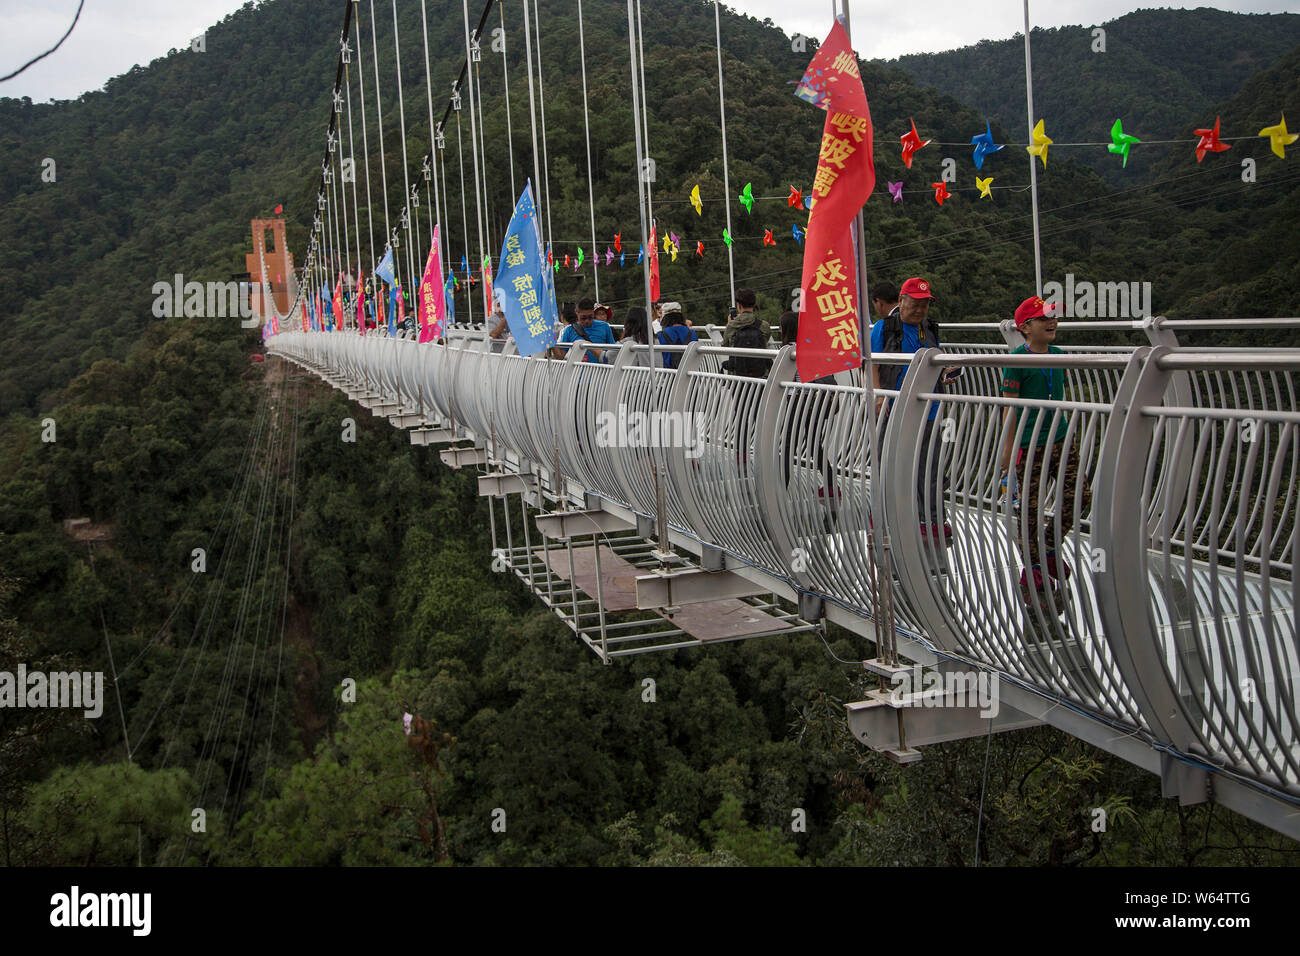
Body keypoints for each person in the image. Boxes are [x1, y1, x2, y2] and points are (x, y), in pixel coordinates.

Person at [999, 294, 1092, 610]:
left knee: (1079, 495)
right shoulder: (1016, 360)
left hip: (1060, 438)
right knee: (1030, 508)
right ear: (1025, 328)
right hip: (1029, 444)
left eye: (1053, 317)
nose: (1051, 323)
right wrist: (1008, 448)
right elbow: (1009, 407)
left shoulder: (1059, 354)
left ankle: (1048, 548)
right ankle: (1034, 570)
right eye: (1043, 319)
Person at [870, 276, 950, 542]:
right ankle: (886, 513)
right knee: (890, 463)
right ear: (901, 301)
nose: (920, 310)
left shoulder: (929, 328)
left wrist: (947, 372)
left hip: (929, 407)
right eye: (915, 303)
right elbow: (871, 364)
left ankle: (933, 520)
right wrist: (879, 396)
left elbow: (935, 361)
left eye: (925, 304)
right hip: (893, 407)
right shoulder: (884, 328)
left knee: (929, 466)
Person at [721, 288, 771, 377]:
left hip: (738, 376)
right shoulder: (764, 325)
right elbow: (764, 342)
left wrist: (729, 323)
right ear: (754, 304)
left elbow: (724, 346)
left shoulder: (732, 326)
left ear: (739, 305)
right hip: (760, 376)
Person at [559, 297, 616, 362]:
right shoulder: (569, 330)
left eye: (590, 317)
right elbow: (560, 356)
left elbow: (613, 351)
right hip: (578, 370)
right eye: (583, 318)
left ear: (593, 312)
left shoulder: (605, 326)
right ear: (576, 312)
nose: (587, 321)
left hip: (601, 370)